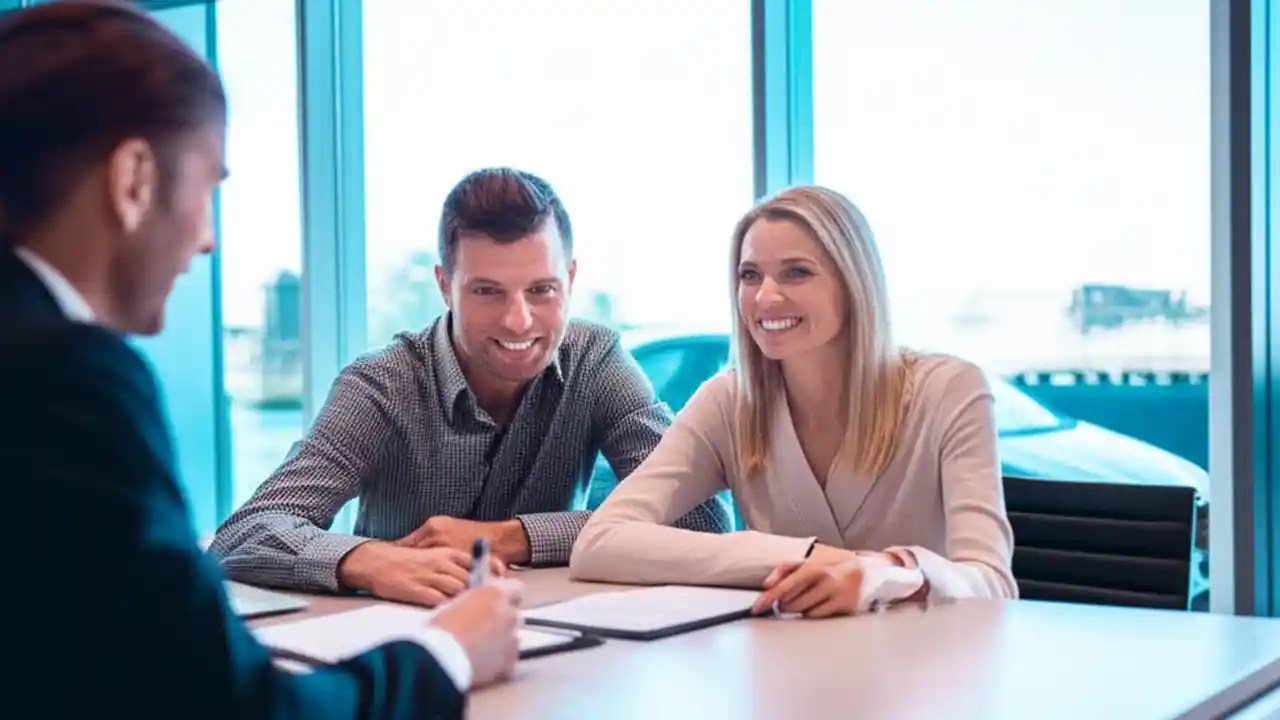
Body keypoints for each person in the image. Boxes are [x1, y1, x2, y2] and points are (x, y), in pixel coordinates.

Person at [1, 3, 520, 718]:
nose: (208, 240)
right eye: (209, 186)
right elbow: (238, 708)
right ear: (134, 180)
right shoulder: (68, 379)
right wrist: (448, 651)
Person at [210, 166, 730, 606]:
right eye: (487, 291)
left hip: (557, 642)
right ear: (445, 285)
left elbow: (702, 522)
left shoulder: (597, 361)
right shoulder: (381, 383)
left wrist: (514, 538)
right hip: (404, 646)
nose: (519, 320)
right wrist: (366, 560)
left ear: (570, 279)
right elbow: (244, 534)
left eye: (542, 290)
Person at [569, 186, 1018, 616]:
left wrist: (883, 574)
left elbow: (992, 583)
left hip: (928, 675)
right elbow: (600, 543)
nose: (765, 296)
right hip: (785, 666)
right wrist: (805, 557)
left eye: (796, 272)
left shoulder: (950, 390)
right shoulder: (728, 401)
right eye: (750, 276)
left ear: (853, 282)